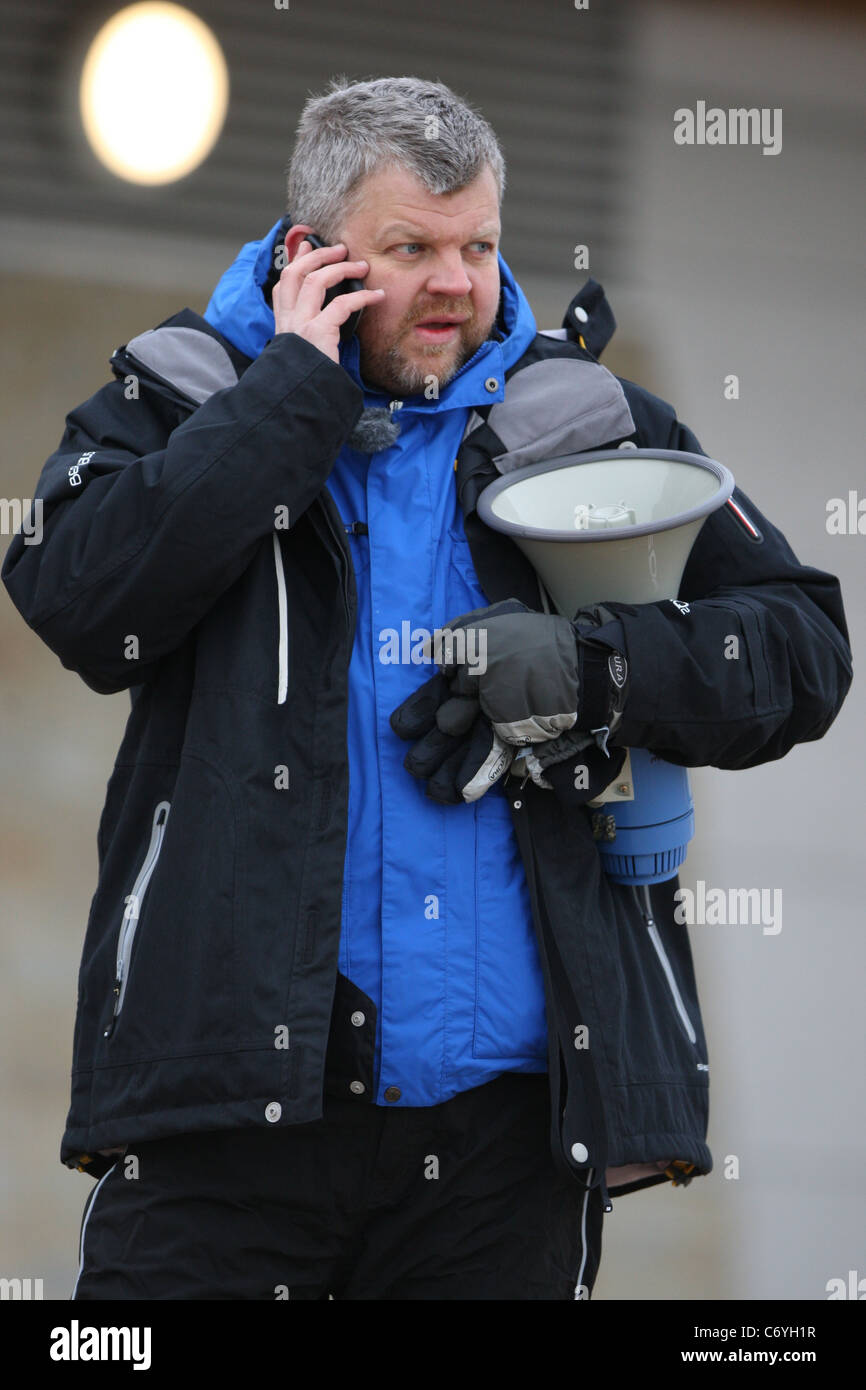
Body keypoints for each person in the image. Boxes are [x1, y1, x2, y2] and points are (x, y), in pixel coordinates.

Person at [1, 76, 851, 1301]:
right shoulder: (178, 390)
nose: (459, 283)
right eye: (412, 249)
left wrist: (593, 666)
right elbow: (78, 601)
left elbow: (800, 644)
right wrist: (292, 391)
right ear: (313, 256)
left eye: (480, 245)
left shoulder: (592, 421)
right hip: (227, 1121)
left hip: (502, 1147)